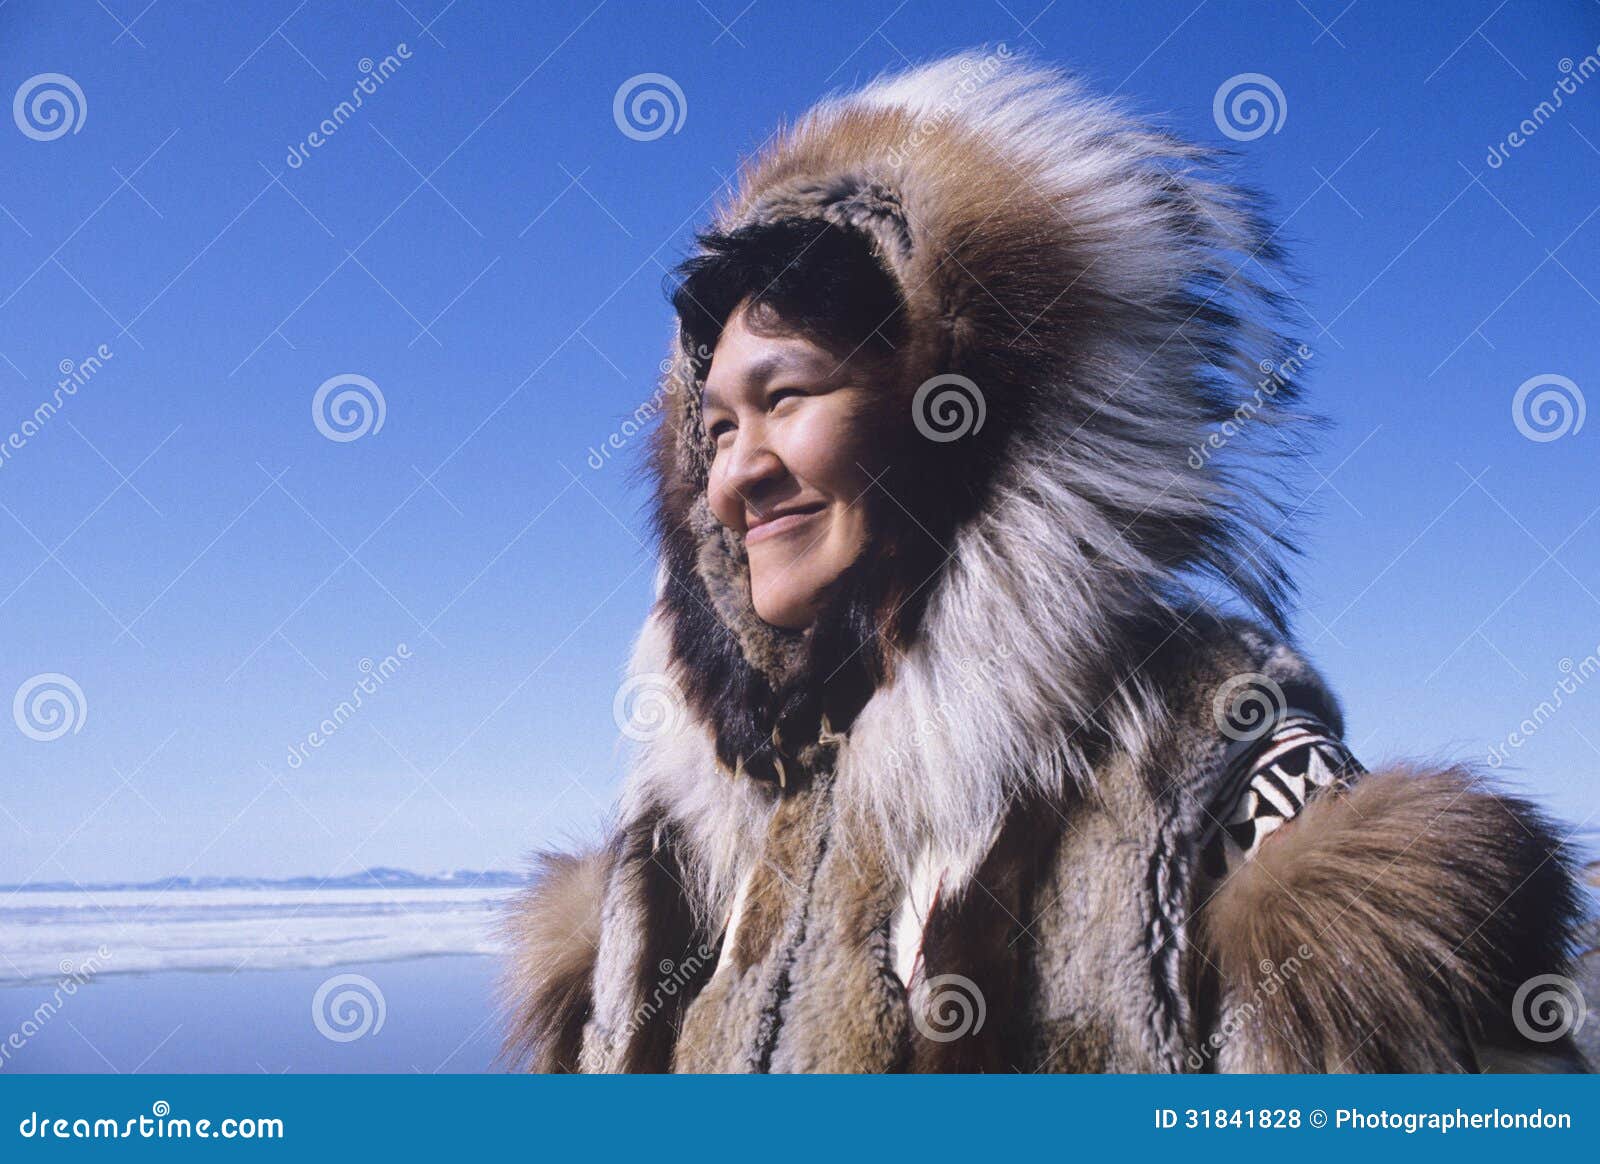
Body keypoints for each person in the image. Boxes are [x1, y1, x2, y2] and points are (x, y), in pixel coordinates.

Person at [500, 48, 1589, 1072]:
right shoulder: (672, 863)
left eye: (786, 396)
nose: (738, 474)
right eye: (717, 429)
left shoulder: (1218, 780)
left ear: (953, 410)